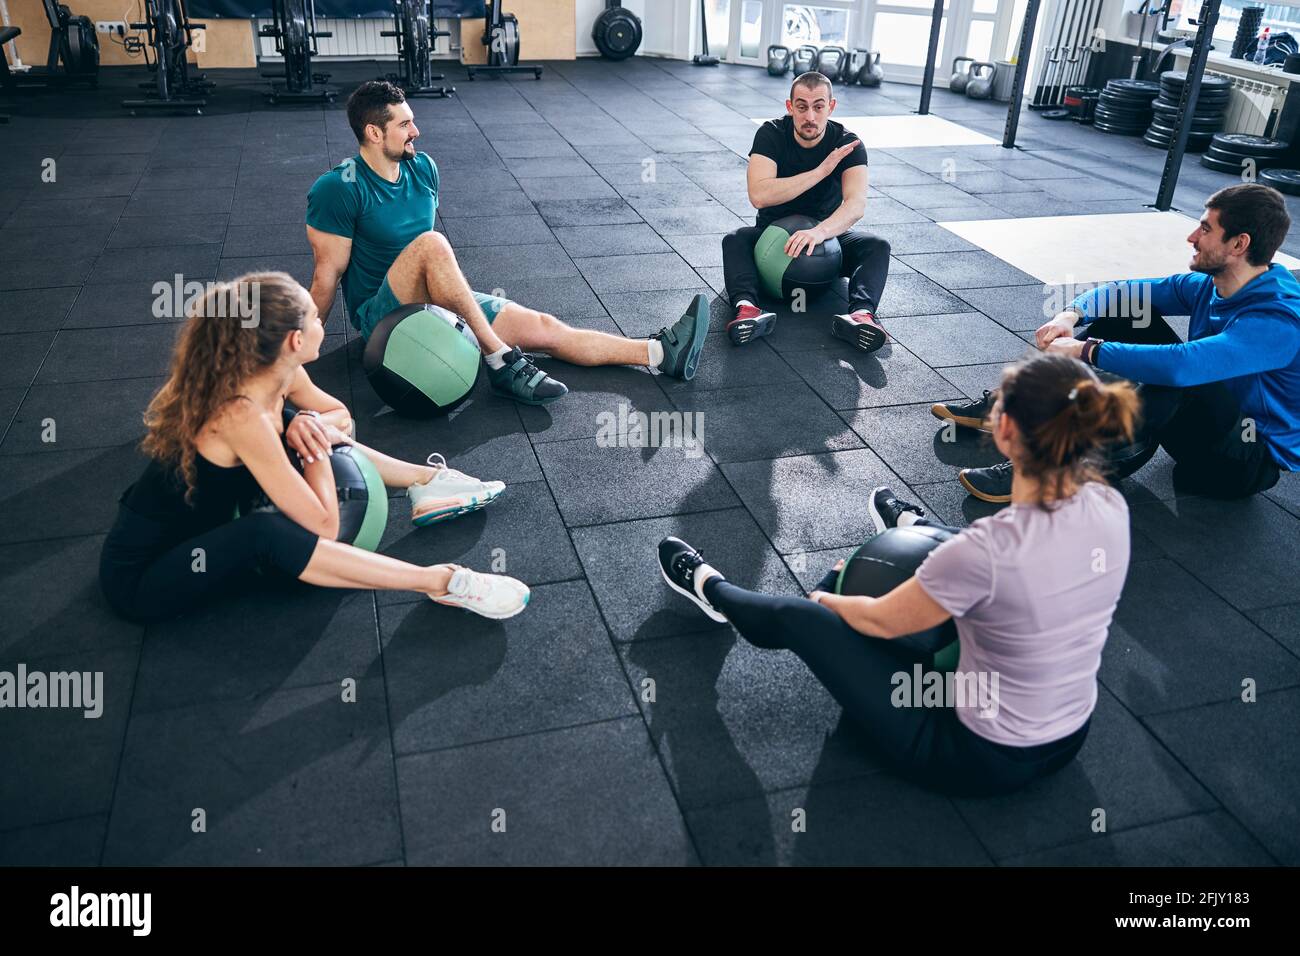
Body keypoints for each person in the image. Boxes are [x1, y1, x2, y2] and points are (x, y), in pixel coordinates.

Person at [657, 353, 1138, 797]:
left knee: (801, 618)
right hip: (1070, 737)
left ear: (1005, 430)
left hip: (974, 756)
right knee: (974, 569)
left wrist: (830, 592)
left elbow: (876, 621)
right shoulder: (1110, 507)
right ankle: (915, 527)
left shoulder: (986, 550)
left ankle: (708, 588)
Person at [99, 272, 529, 625]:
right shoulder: (240, 414)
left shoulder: (276, 376)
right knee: (265, 532)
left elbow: (340, 416)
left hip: (204, 531)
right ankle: (441, 581)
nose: (322, 322)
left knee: (301, 426)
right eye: (313, 317)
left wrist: (308, 425)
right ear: (293, 340)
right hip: (146, 575)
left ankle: (427, 481)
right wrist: (316, 448)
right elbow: (324, 525)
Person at [306, 81, 709, 406]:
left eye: (413, 121)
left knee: (545, 327)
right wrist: (302, 349)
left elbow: (433, 266)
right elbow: (327, 275)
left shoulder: (423, 168)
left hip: (431, 297)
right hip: (381, 320)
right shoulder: (339, 189)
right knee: (431, 243)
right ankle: (500, 360)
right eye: (404, 125)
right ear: (374, 133)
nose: (416, 131)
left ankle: (658, 353)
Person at [939, 183, 1300, 503]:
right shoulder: (1211, 284)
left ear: (1239, 243)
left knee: (1180, 377)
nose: (1192, 237)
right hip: (1201, 426)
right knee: (1129, 316)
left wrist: (1086, 349)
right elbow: (1123, 292)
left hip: (1243, 462)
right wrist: (1071, 315)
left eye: (1206, 228)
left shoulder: (1277, 320)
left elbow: (1182, 366)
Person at [720, 70, 890, 351]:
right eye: (801, 107)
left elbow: (856, 205)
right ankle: (747, 308)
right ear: (790, 107)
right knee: (735, 240)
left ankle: (861, 315)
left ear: (830, 107)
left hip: (826, 243)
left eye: (818, 107)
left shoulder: (848, 143)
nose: (810, 116)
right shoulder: (771, 134)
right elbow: (759, 195)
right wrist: (821, 170)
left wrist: (819, 233)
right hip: (770, 241)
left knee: (877, 246)